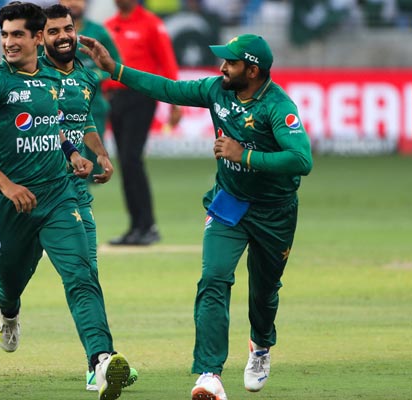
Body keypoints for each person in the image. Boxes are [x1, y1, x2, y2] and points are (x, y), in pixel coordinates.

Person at [78, 33, 313, 399]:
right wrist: (116, 70)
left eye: (231, 63)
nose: (222, 68)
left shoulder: (277, 107)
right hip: (230, 203)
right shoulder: (217, 90)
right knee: (213, 280)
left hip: (274, 212)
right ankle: (210, 375)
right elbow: (169, 90)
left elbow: (302, 160)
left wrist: (244, 155)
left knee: (265, 292)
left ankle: (261, 345)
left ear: (252, 70)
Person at [0, 3, 138, 394]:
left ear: (36, 37)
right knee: (11, 282)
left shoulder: (55, 78)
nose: (9, 43)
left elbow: (58, 125)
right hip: (11, 204)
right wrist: (7, 186)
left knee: (81, 274)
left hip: (59, 196)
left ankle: (100, 361)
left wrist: (76, 154)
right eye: (5, 35)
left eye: (17, 35)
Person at [104, 0, 182, 246]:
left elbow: (167, 62)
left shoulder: (151, 24)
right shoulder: (109, 25)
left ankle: (147, 226)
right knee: (126, 163)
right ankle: (136, 227)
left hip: (141, 96)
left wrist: (175, 102)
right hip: (114, 98)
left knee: (131, 159)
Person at [59, 0, 122, 181]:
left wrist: (94, 75)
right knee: (71, 161)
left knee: (92, 163)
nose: (73, 3)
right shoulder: (50, 34)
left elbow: (115, 64)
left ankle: (80, 205)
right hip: (60, 108)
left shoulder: (98, 32)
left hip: (93, 107)